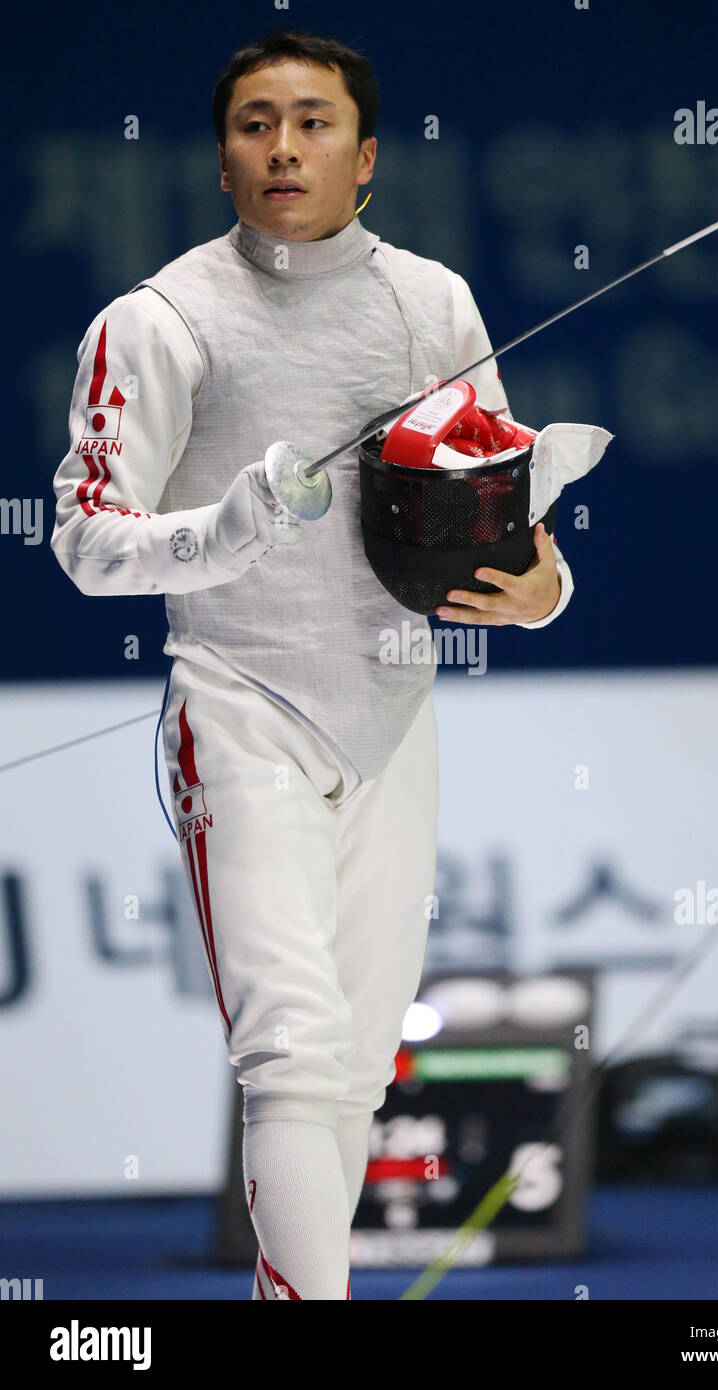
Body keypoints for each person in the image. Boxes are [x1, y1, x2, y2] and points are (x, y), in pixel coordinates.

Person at [49, 28, 575, 1300]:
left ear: (367, 156)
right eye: (253, 125)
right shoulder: (160, 321)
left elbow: (505, 512)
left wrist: (543, 591)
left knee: (353, 1068)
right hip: (239, 709)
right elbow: (82, 539)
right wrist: (222, 530)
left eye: (313, 120)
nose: (283, 146)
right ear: (224, 162)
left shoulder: (431, 304)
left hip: (393, 715)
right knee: (289, 1051)